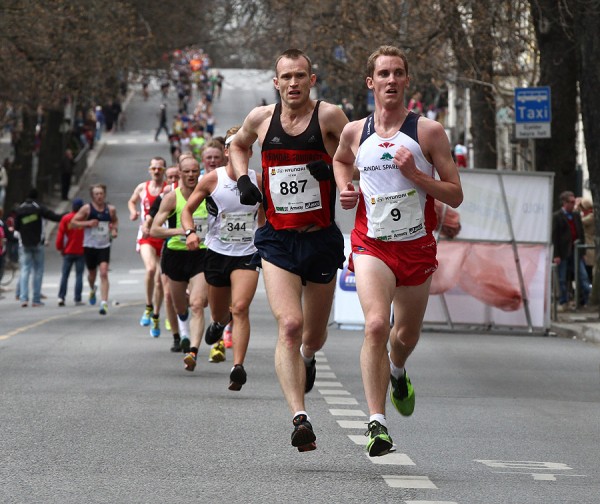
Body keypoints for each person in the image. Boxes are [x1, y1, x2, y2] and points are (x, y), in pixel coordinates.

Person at [333, 45, 463, 457]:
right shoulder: (356, 132)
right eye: (383, 74)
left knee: (404, 335)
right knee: (374, 325)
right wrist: (345, 188)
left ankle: (398, 370)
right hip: (371, 244)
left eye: (398, 73)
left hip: (416, 247)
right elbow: (340, 160)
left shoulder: (428, 132)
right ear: (371, 82)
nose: (391, 80)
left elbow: (455, 194)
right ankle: (377, 422)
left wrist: (414, 174)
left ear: (407, 81)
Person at [229, 48, 348, 452]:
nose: (293, 83)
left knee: (312, 336)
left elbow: (357, 160)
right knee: (290, 326)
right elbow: (237, 144)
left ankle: (309, 358)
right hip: (277, 238)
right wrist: (245, 179)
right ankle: (300, 417)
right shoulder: (261, 118)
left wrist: (330, 167)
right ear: (275, 82)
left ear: (312, 80)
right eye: (286, 77)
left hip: (319, 238)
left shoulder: (329, 116)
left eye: (301, 76)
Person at [182, 126, 264, 391]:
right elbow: (187, 211)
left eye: (247, 145)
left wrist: (264, 236)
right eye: (235, 145)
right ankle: (218, 324)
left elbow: (266, 215)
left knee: (240, 308)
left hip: (247, 254)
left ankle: (237, 367)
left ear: (250, 150)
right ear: (227, 150)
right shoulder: (211, 180)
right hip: (217, 253)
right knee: (219, 313)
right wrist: (190, 232)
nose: (242, 150)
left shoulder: (259, 180)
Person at [150, 154, 208, 369]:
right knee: (180, 306)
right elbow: (154, 229)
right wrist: (182, 230)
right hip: (175, 255)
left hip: (201, 254)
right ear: (180, 173)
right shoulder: (172, 197)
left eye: (195, 171)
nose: (192, 175)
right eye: (187, 171)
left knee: (197, 304)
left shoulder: (207, 194)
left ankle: (192, 351)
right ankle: (183, 329)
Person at [127, 157, 168, 337]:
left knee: (160, 279)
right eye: (153, 168)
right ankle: (148, 306)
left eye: (159, 168)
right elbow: (131, 200)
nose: (156, 171)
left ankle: (156, 314)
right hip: (146, 235)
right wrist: (133, 211)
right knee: (151, 269)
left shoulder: (168, 189)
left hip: (164, 235)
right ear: (149, 170)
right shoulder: (142, 187)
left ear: (164, 170)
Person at [71, 184, 119, 315]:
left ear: (104, 194)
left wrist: (114, 230)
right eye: (96, 194)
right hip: (89, 245)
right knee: (92, 274)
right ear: (92, 196)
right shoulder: (87, 209)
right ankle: (92, 288)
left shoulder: (110, 209)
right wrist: (87, 223)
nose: (99, 196)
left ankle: (104, 303)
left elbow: (115, 221)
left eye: (101, 193)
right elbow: (73, 222)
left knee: (103, 272)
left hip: (104, 245)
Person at [14, 188, 64, 307]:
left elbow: (16, 227)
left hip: (24, 244)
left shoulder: (20, 209)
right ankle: (36, 299)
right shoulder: (39, 208)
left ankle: (23, 298)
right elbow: (55, 217)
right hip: (38, 243)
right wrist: (69, 215)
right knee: (38, 270)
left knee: (25, 270)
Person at [552, 190, 591, 310]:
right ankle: (564, 301)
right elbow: (555, 236)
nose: (573, 204)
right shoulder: (557, 216)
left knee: (583, 276)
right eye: (571, 202)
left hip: (576, 251)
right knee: (562, 278)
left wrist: (583, 253)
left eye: (574, 202)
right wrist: (556, 254)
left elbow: (581, 233)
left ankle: (586, 301)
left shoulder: (575, 215)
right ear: (564, 203)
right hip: (563, 252)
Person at [55, 198, 85, 306]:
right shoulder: (84, 219)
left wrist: (60, 248)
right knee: (79, 275)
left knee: (65, 275)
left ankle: (61, 297)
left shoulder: (66, 219)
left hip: (68, 250)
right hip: (81, 250)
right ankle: (77, 298)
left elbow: (61, 236)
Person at [577, 197, 595, 283]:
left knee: (588, 270)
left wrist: (576, 207)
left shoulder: (591, 216)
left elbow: (579, 221)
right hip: (585, 247)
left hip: (589, 247)